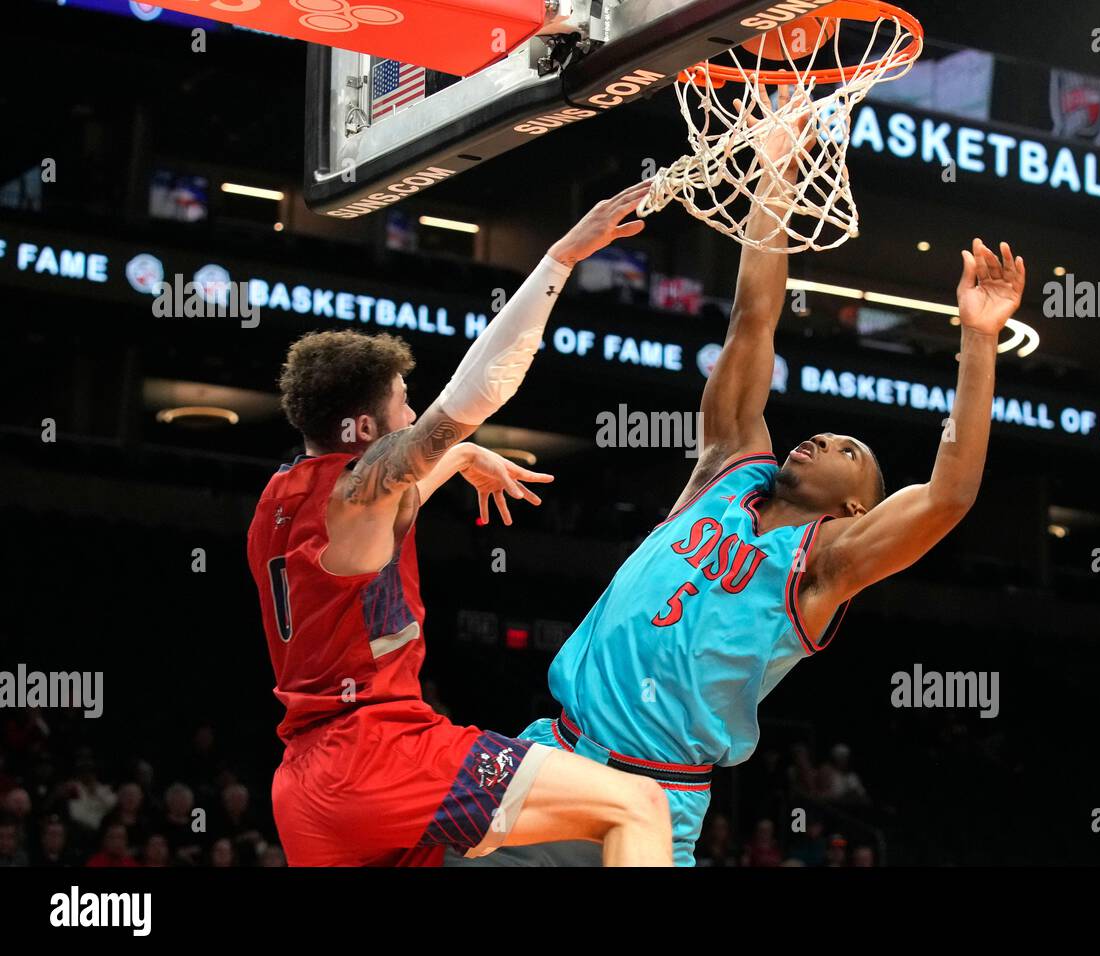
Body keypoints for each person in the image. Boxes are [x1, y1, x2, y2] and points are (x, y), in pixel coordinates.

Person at [452, 108, 1027, 865]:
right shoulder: (725, 467)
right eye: (824, 434)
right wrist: (777, 170)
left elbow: (950, 495)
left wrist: (978, 338)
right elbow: (754, 320)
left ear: (858, 505)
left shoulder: (827, 564)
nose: (821, 438)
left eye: (848, 452)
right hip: (550, 754)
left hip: (650, 797)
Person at [248, 181, 673, 866]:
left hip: (307, 787)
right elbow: (474, 396)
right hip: (379, 755)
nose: (413, 421)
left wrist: (467, 456)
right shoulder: (360, 493)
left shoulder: (282, 500)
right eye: (401, 410)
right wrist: (561, 258)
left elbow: (394, 497)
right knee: (640, 805)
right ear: (364, 431)